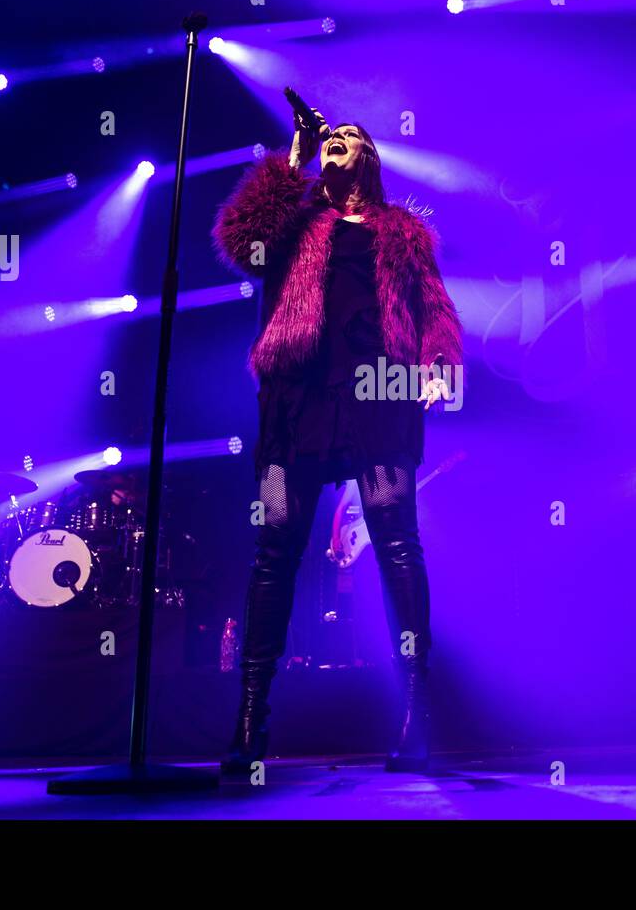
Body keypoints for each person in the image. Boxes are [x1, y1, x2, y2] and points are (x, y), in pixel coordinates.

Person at [212, 106, 463, 774]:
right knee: (275, 551)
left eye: (349, 138)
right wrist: (291, 158)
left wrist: (439, 364)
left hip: (380, 396)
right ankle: (249, 724)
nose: (336, 143)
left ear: (371, 160)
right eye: (330, 139)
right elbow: (242, 243)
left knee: (397, 545)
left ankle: (417, 717)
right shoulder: (295, 225)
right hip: (297, 398)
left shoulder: (402, 232)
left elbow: (436, 306)